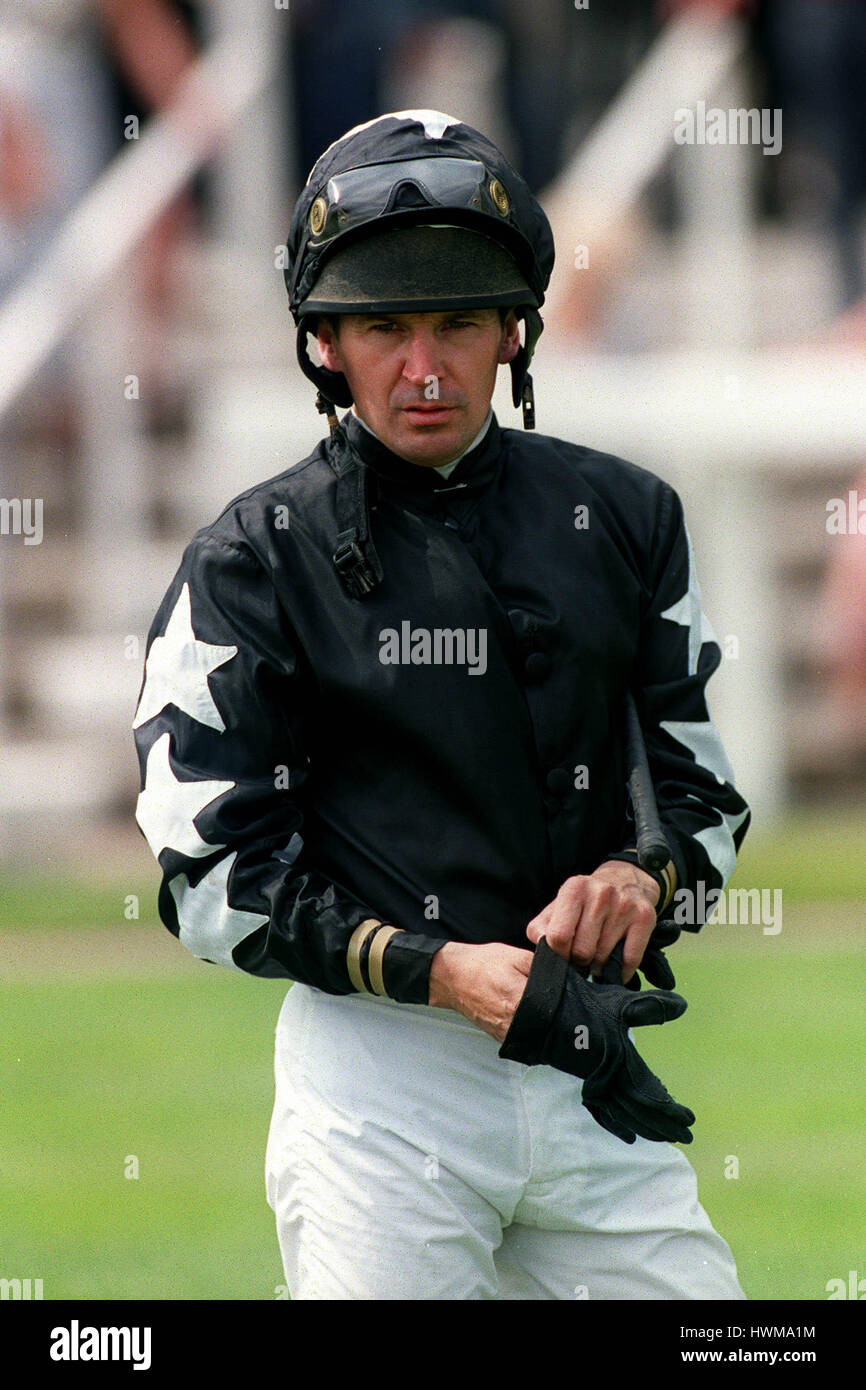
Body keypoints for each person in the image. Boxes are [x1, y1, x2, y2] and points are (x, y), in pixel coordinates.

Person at [133, 109, 751, 1301]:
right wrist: (432, 968)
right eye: (383, 328)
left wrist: (642, 878)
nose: (424, 369)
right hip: (376, 1096)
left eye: (458, 323)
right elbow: (206, 880)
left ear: (513, 330)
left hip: (584, 1066)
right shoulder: (248, 561)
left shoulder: (627, 518)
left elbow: (702, 797)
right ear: (324, 344)